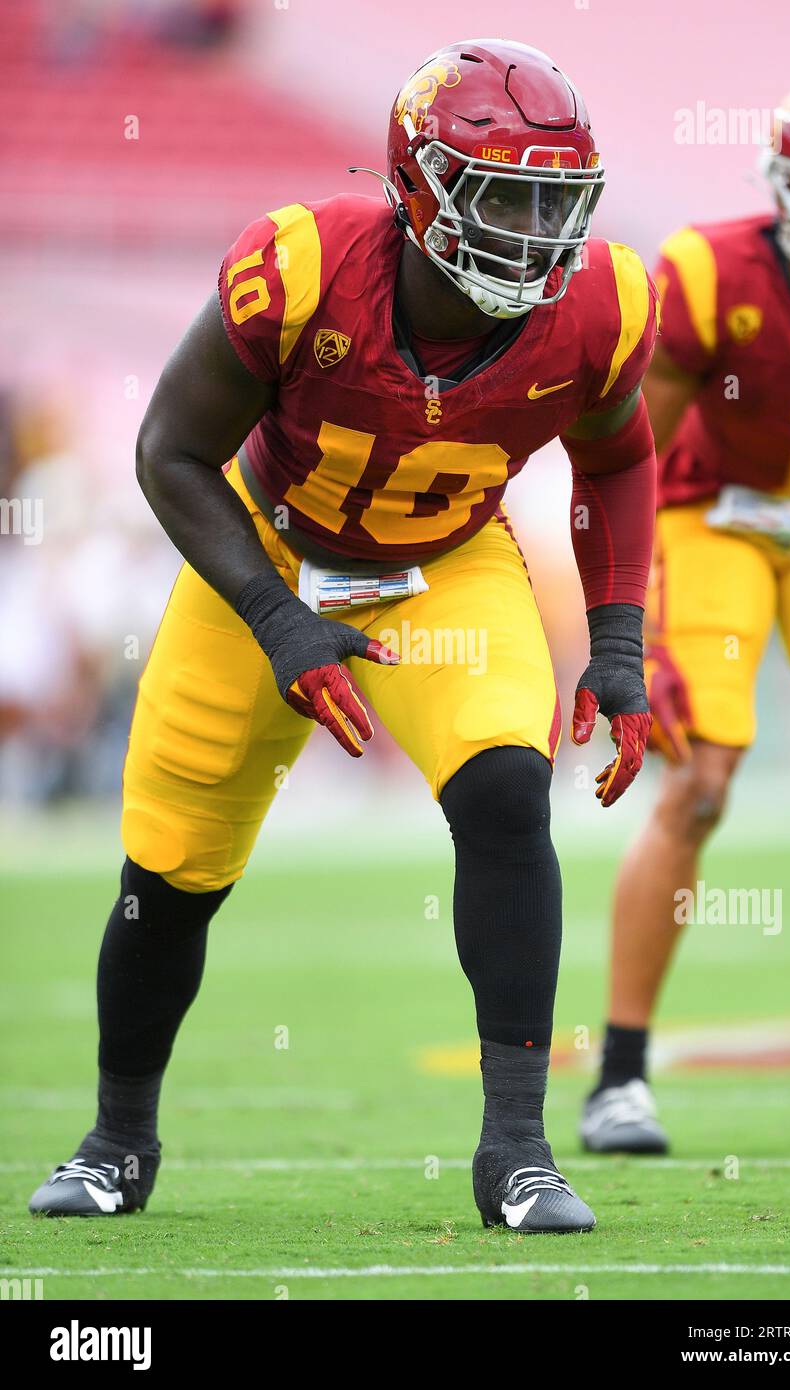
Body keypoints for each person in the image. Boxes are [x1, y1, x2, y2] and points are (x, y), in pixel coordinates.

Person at [30, 39, 658, 1231]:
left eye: (553, 200)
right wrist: (277, 620)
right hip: (260, 555)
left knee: (508, 800)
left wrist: (619, 640)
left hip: (445, 566)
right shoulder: (304, 265)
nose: (535, 232)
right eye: (505, 197)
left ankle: (517, 1151)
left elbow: (618, 457)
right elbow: (168, 452)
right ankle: (117, 1138)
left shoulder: (602, 306)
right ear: (419, 189)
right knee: (168, 876)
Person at [581, 67, 790, 1155]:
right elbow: (627, 457)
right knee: (698, 780)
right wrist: (625, 624)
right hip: (710, 517)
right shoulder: (710, 272)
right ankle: (618, 1076)